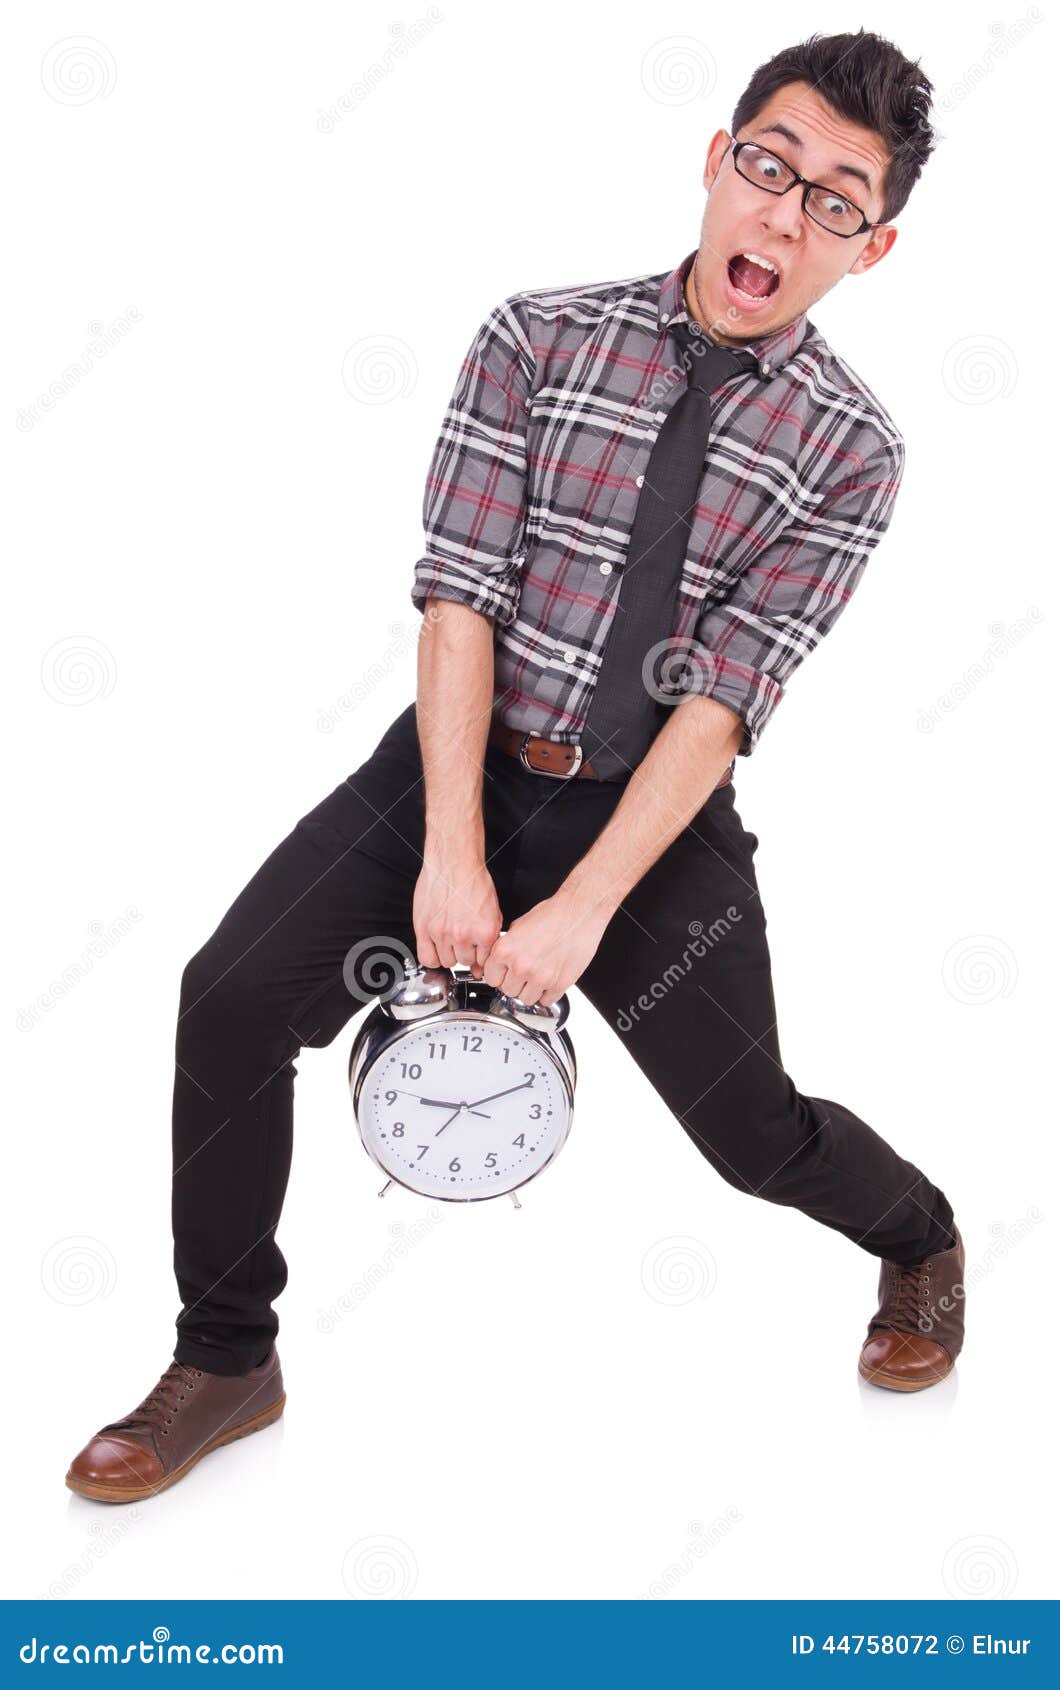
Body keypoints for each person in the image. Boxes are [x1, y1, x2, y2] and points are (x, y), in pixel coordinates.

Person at [67, 28, 966, 1505]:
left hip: (652, 809)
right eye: (769, 168)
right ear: (714, 162)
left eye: (838, 202)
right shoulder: (537, 339)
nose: (785, 218)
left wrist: (588, 903)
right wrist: (453, 844)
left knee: (754, 1135)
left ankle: (921, 1235)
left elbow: (726, 699)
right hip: (460, 759)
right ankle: (228, 1353)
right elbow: (459, 598)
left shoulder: (855, 449)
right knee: (227, 1002)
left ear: (872, 249)